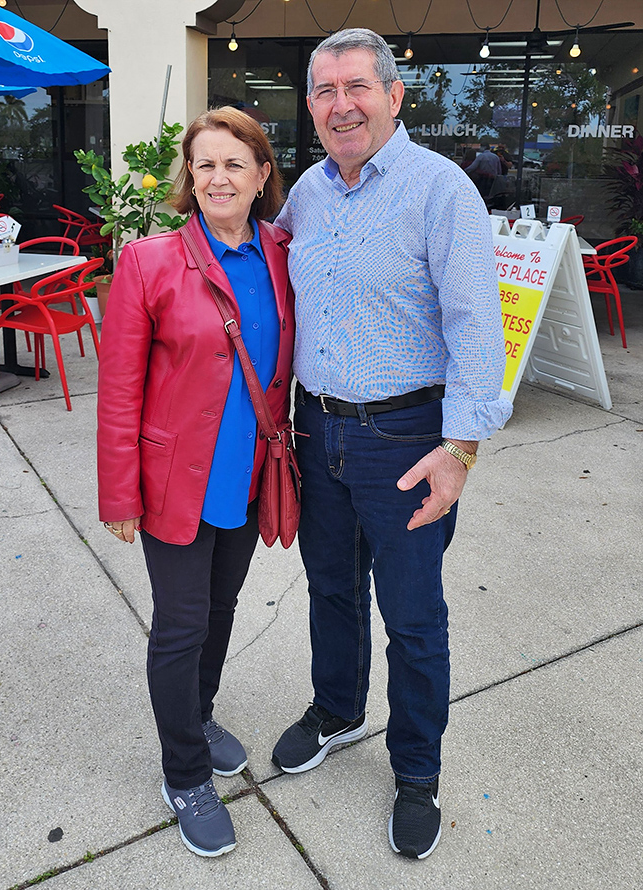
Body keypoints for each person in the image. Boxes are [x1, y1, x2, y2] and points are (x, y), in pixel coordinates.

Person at [271, 28, 512, 861]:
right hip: (317, 428)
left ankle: (417, 769)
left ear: (394, 95)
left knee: (413, 620)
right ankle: (337, 710)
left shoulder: (439, 189)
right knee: (331, 590)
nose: (342, 105)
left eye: (357, 87)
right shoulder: (305, 192)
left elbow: (479, 324)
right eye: (326, 91)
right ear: (311, 106)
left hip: (407, 438)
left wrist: (463, 449)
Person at [97, 107, 295, 858]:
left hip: (246, 479)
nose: (218, 177)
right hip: (173, 480)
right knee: (180, 626)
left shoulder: (278, 252)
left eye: (234, 165)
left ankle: (200, 714)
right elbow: (118, 388)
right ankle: (183, 773)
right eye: (205, 164)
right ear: (190, 176)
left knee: (220, 608)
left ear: (261, 177)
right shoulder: (149, 261)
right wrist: (119, 492)